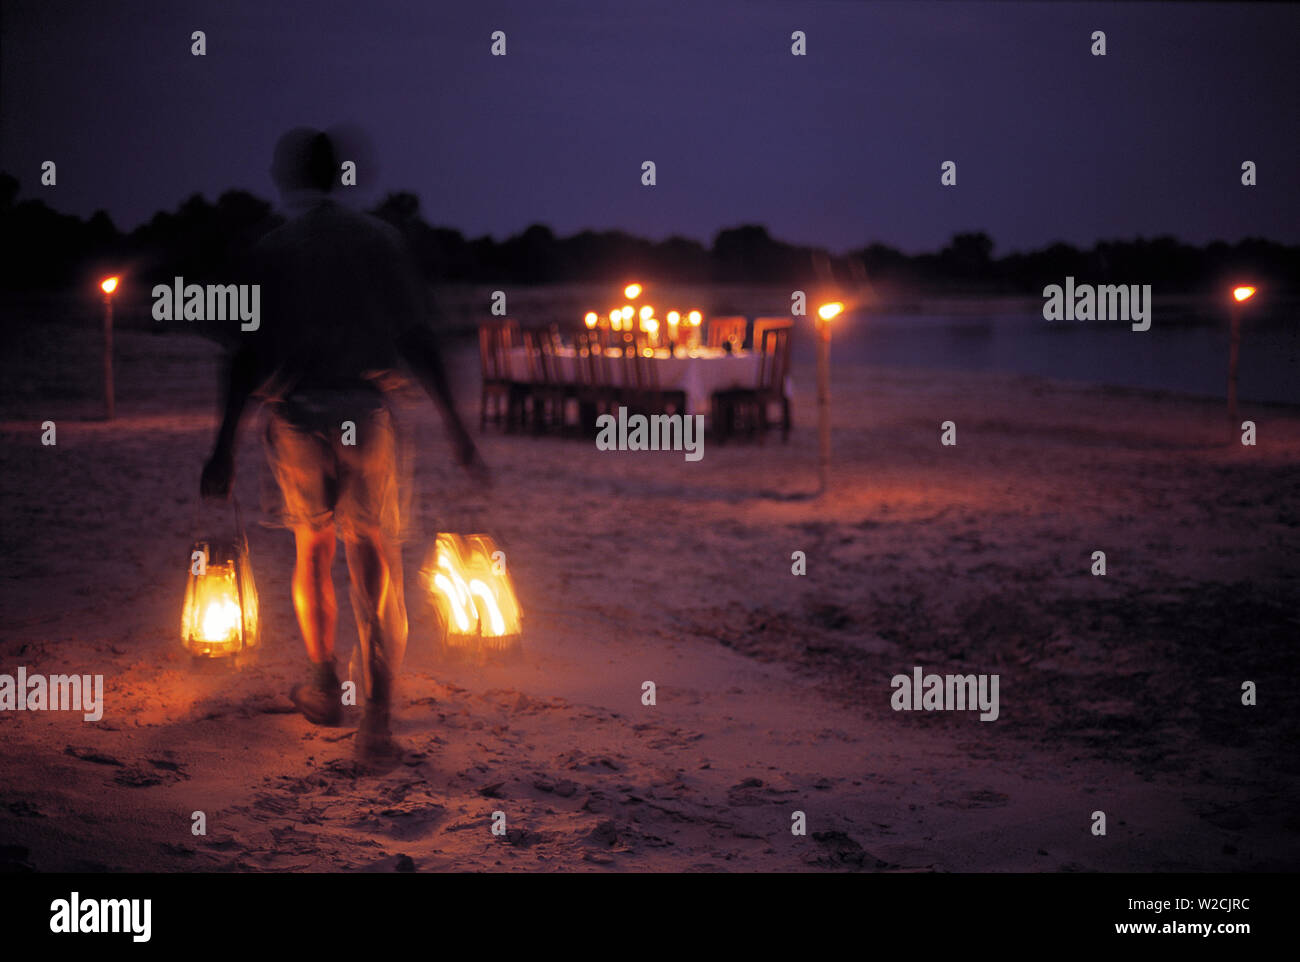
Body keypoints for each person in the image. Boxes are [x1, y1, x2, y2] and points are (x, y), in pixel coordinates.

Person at [200, 127, 487, 765]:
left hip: (298, 415)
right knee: (374, 556)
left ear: (291, 177)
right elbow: (417, 338)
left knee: (313, 549)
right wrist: (457, 428)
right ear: (344, 172)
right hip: (366, 411)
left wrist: (223, 445)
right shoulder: (378, 242)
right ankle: (377, 716)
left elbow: (245, 356)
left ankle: (327, 685)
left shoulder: (273, 248)